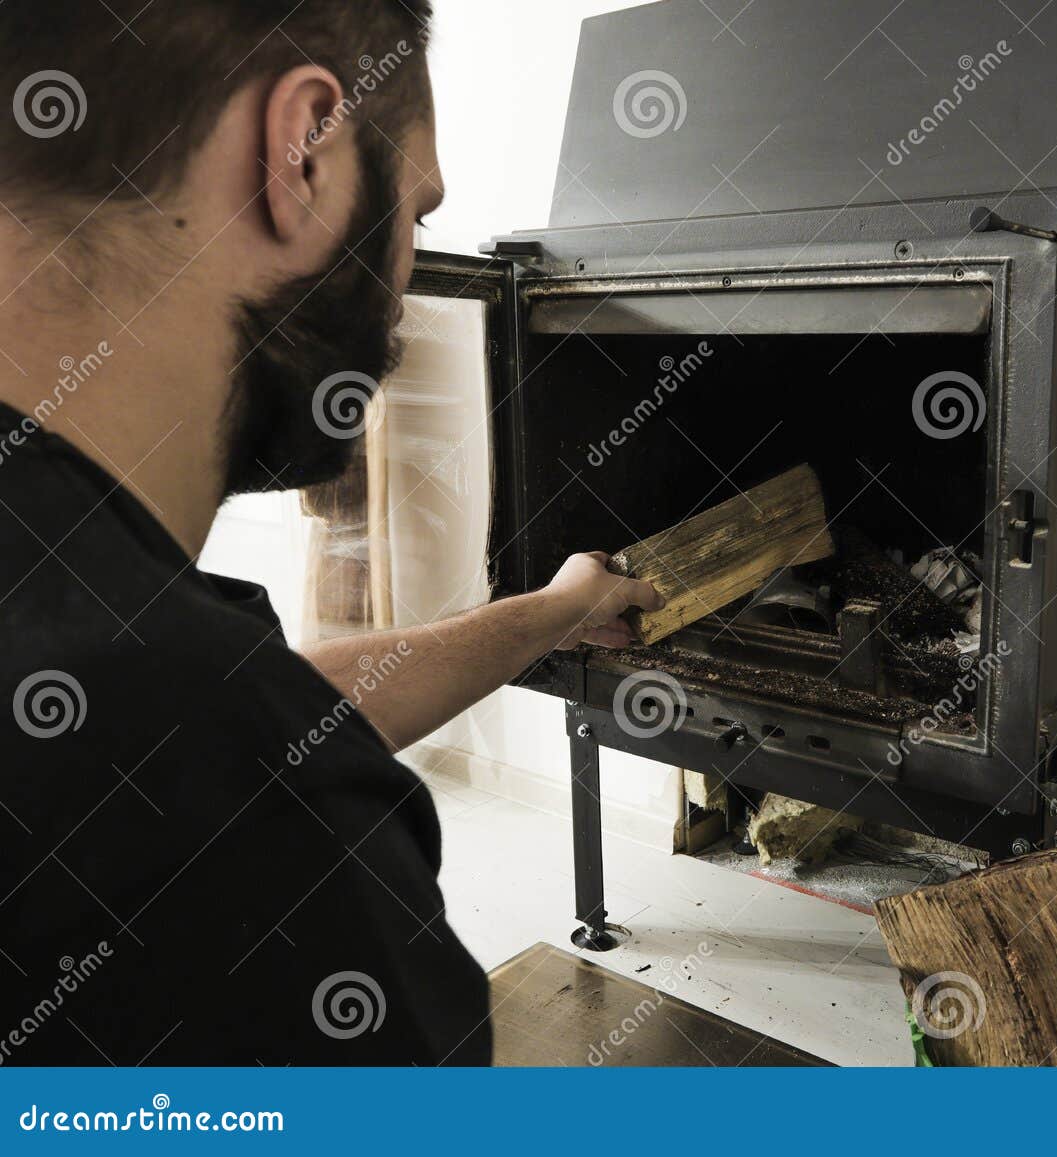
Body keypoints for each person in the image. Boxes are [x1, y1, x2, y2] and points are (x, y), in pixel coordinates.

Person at [0, 0, 660, 1064]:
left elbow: (275, 706)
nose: (403, 279)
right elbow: (237, 743)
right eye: (416, 215)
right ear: (301, 154)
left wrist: (556, 612)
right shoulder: (258, 851)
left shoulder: (113, 661)